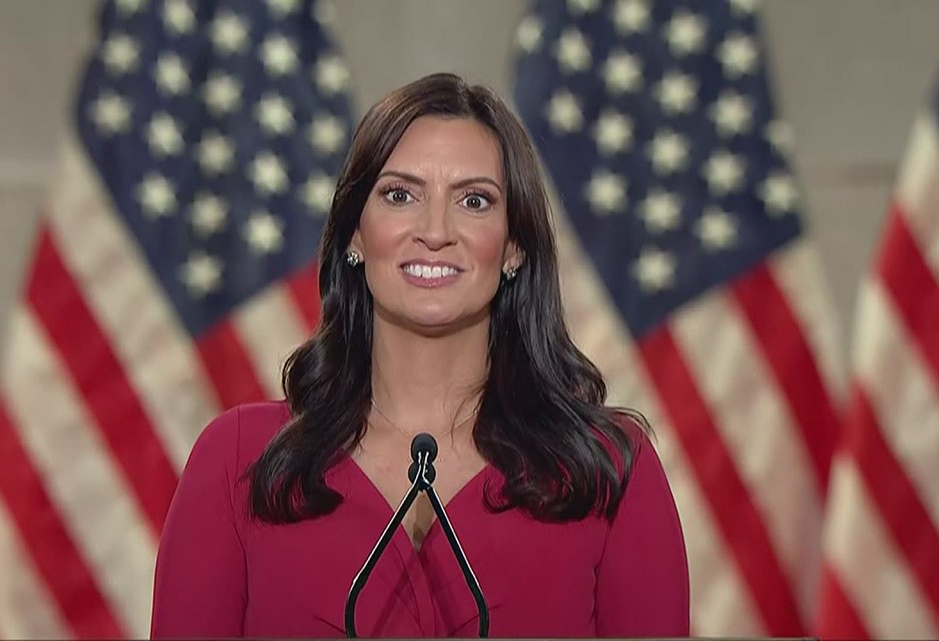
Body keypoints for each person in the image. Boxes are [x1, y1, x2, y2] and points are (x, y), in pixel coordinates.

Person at [150, 72, 690, 639]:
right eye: (400, 195)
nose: (435, 232)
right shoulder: (240, 461)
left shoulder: (607, 471)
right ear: (355, 235)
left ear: (513, 247)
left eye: (474, 201)